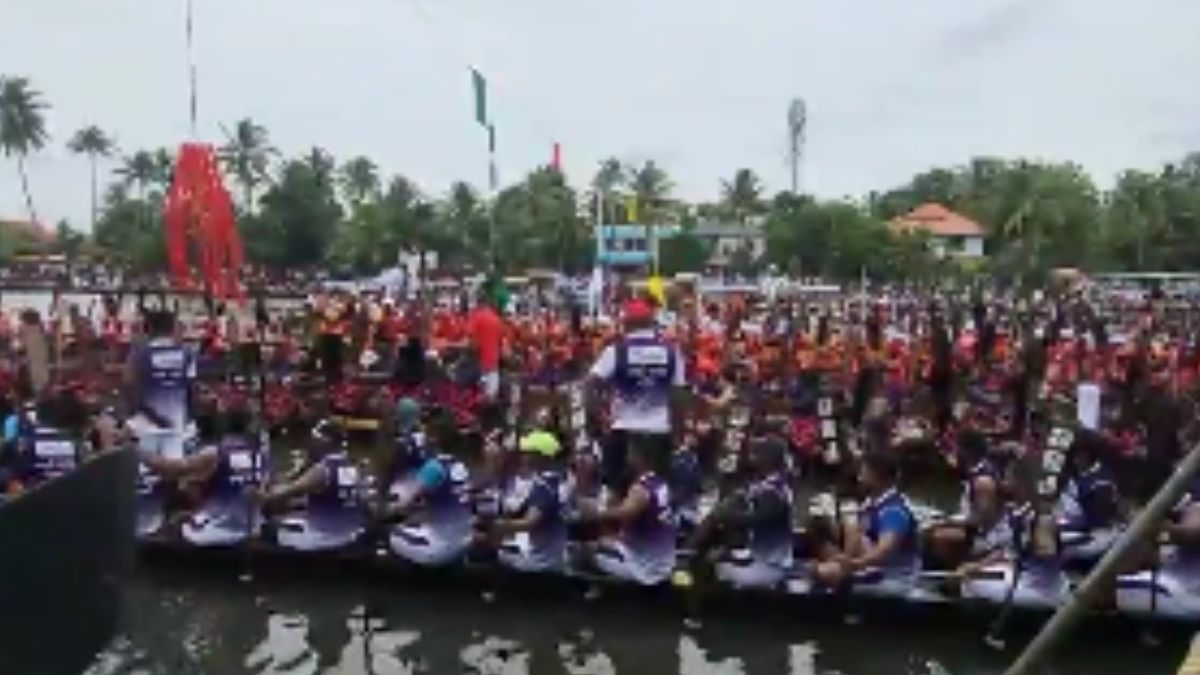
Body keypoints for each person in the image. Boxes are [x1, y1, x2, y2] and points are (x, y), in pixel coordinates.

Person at [589, 298, 687, 495]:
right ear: (651, 322)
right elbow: (678, 395)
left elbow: (589, 384)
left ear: (627, 324)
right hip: (659, 431)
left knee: (617, 491)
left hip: (623, 430)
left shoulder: (615, 351)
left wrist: (600, 415)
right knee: (657, 492)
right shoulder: (671, 351)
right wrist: (677, 432)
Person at [691, 436, 794, 589]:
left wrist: (724, 515)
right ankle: (689, 550)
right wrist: (729, 504)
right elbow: (746, 494)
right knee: (720, 517)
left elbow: (755, 520)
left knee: (710, 568)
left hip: (769, 564)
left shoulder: (774, 492)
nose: (753, 456)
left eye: (758, 454)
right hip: (760, 554)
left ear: (768, 459)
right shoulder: (774, 482)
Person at [812, 451, 920, 596]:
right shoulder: (870, 504)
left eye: (864, 471)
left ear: (878, 475)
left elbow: (883, 551)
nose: (859, 476)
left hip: (894, 580)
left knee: (826, 576)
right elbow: (858, 540)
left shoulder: (893, 511)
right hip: (872, 572)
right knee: (816, 569)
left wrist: (855, 564)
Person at [258, 419, 367, 552]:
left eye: (316, 439)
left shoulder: (322, 470)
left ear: (326, 441)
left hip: (323, 538)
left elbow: (277, 495)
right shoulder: (354, 467)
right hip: (350, 533)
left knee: (268, 527)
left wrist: (260, 492)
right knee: (296, 514)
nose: (311, 443)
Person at [381, 415, 474, 567]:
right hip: (464, 540)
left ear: (435, 439)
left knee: (390, 533)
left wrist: (384, 509)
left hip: (441, 545)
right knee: (415, 521)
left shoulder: (434, 467)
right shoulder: (460, 465)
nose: (425, 439)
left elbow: (403, 505)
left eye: (428, 435)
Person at [583, 441, 677, 586]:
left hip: (644, 568)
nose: (627, 458)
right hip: (664, 562)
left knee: (588, 549)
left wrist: (597, 512)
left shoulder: (640, 489)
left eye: (631, 454)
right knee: (609, 538)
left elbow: (625, 513)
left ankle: (602, 592)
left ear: (639, 458)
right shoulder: (661, 483)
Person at [485, 431, 568, 573]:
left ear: (540, 456)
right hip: (552, 552)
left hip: (540, 560)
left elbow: (529, 523)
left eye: (528, 453)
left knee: (486, 546)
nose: (523, 456)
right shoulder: (558, 479)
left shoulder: (545, 485)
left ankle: (496, 589)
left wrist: (499, 526)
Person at [125, 308, 196, 461]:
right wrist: (188, 419)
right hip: (176, 424)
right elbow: (191, 390)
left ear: (147, 329)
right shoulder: (188, 354)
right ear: (171, 328)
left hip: (145, 426)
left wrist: (152, 416)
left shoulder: (139, 355)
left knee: (146, 475)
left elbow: (130, 388)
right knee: (174, 473)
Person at [467, 290, 505, 402]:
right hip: (493, 366)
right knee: (490, 398)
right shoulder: (497, 319)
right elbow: (501, 343)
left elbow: (471, 343)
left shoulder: (476, 317)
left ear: (478, 303)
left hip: (478, 366)